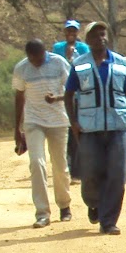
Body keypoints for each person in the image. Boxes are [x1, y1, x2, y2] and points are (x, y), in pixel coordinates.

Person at [63, 21, 126, 235]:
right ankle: (94, 203)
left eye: (103, 34)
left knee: (117, 174)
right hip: (89, 129)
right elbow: (68, 95)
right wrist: (74, 122)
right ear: (87, 41)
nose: (101, 38)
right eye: (96, 36)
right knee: (90, 173)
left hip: (119, 126)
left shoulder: (120, 62)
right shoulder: (79, 64)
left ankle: (108, 221)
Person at [13, 38, 74, 227]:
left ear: (44, 53)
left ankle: (64, 206)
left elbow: (73, 90)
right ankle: (42, 213)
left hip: (58, 121)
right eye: (32, 59)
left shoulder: (59, 63)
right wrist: (17, 127)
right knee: (36, 163)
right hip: (34, 121)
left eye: (38, 58)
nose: (36, 63)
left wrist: (57, 98)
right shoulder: (22, 68)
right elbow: (19, 97)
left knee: (60, 165)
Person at [52, 19, 89, 184]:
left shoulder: (83, 49)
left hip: (79, 97)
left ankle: (77, 171)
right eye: (68, 31)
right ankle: (64, 170)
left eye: (74, 31)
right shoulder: (57, 48)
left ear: (77, 33)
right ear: (65, 33)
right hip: (62, 95)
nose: (71, 34)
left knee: (76, 133)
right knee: (64, 133)